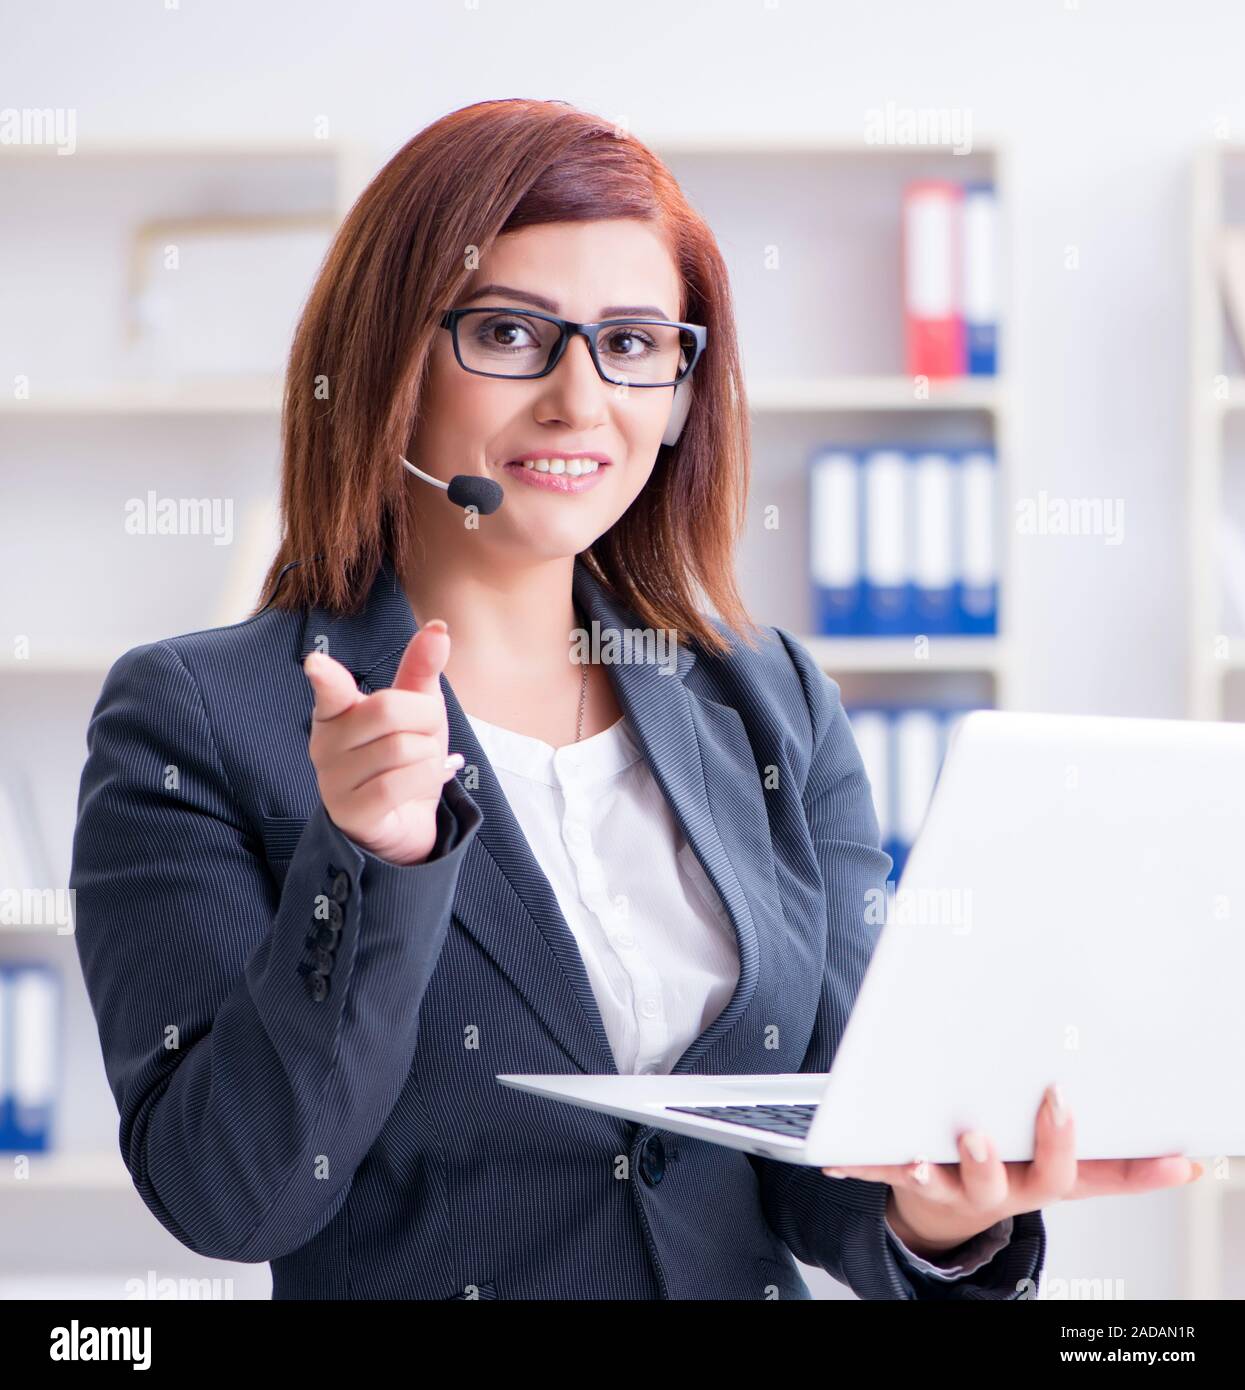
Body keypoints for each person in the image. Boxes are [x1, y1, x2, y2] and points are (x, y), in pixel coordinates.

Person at [69, 98, 1200, 1301]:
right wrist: (372, 862)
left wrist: (934, 1212)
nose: (579, 397)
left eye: (633, 341)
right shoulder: (195, 718)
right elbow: (233, 1195)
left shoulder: (768, 698)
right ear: (389, 359)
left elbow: (831, 1127)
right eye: (509, 332)